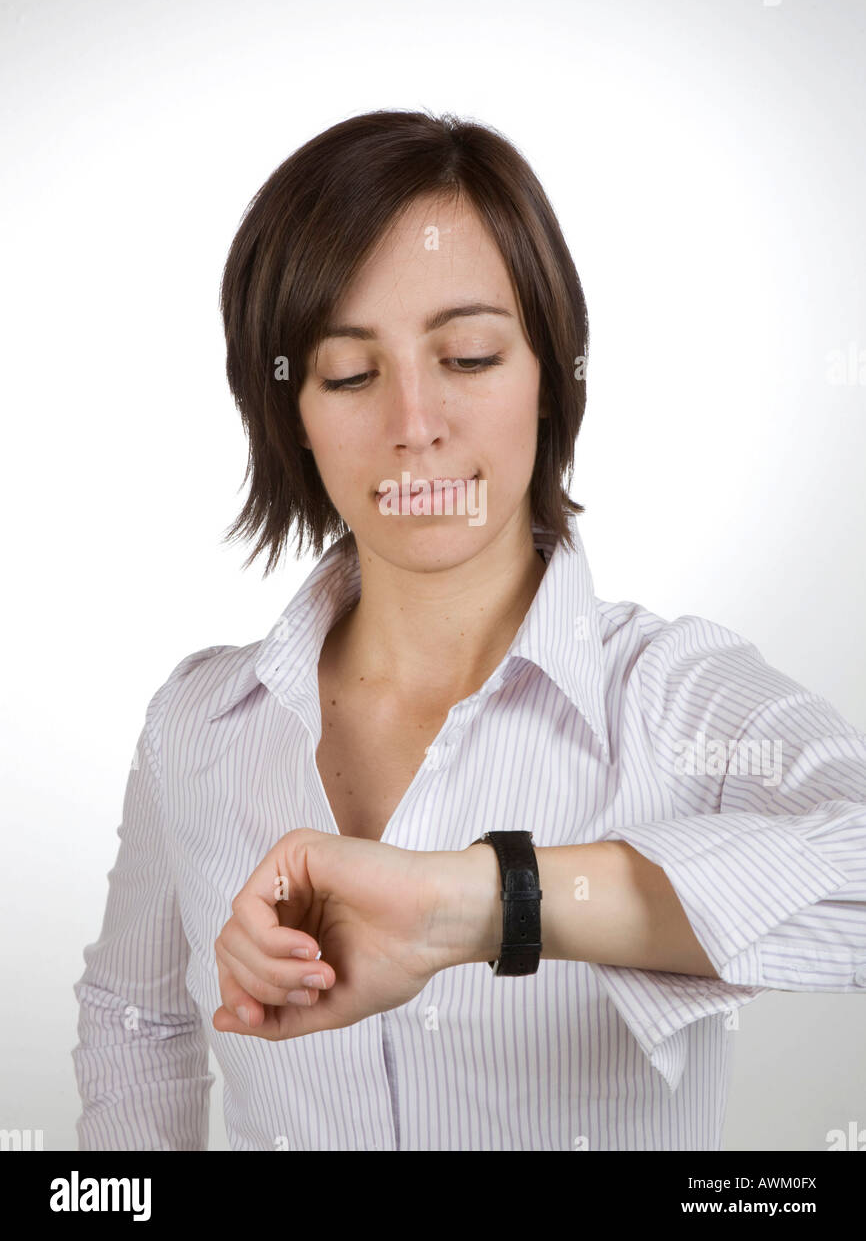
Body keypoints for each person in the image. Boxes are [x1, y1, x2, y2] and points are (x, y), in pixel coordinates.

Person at [72, 109, 866, 1151]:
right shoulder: (197, 725)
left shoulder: (676, 697)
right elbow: (137, 1020)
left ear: (548, 376)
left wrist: (483, 903)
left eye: (470, 354)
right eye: (348, 373)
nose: (413, 421)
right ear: (289, 416)